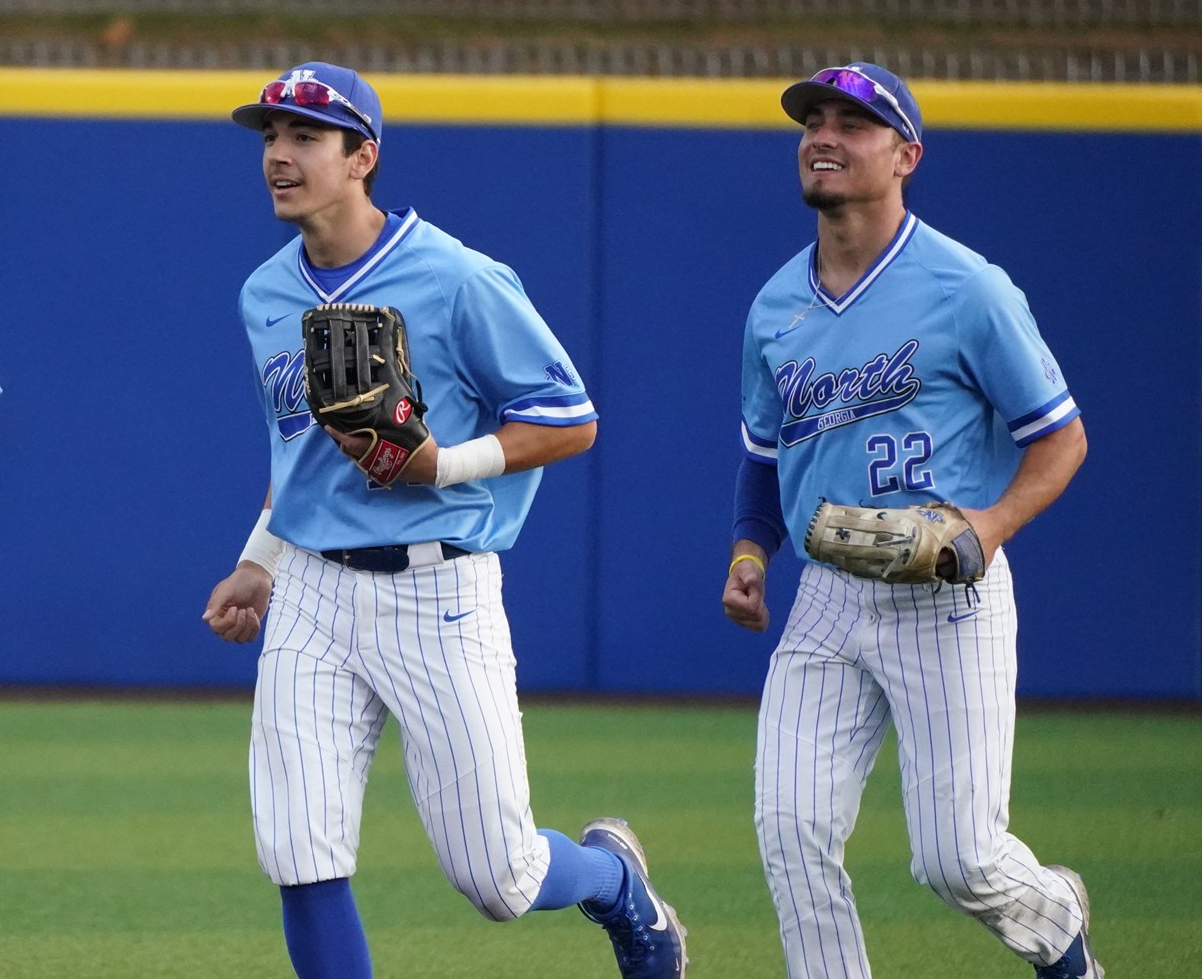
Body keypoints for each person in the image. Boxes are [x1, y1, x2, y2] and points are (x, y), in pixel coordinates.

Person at [202, 62, 687, 979]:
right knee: (299, 851)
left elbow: (570, 419)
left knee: (498, 877)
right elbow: (297, 452)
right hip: (310, 590)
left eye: (305, 136)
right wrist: (257, 559)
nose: (278, 155)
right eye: (270, 135)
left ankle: (617, 881)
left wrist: (444, 463)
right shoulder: (265, 293)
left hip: (439, 588)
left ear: (362, 158)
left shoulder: (458, 277)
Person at [721, 63, 1097, 979]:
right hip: (827, 595)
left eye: (853, 122)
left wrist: (988, 526)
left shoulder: (969, 289)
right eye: (814, 119)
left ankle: (1057, 924)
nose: (824, 135)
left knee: (959, 860)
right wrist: (749, 551)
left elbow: (1062, 439)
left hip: (946, 595)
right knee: (790, 828)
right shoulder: (775, 305)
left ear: (906, 156)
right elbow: (765, 456)